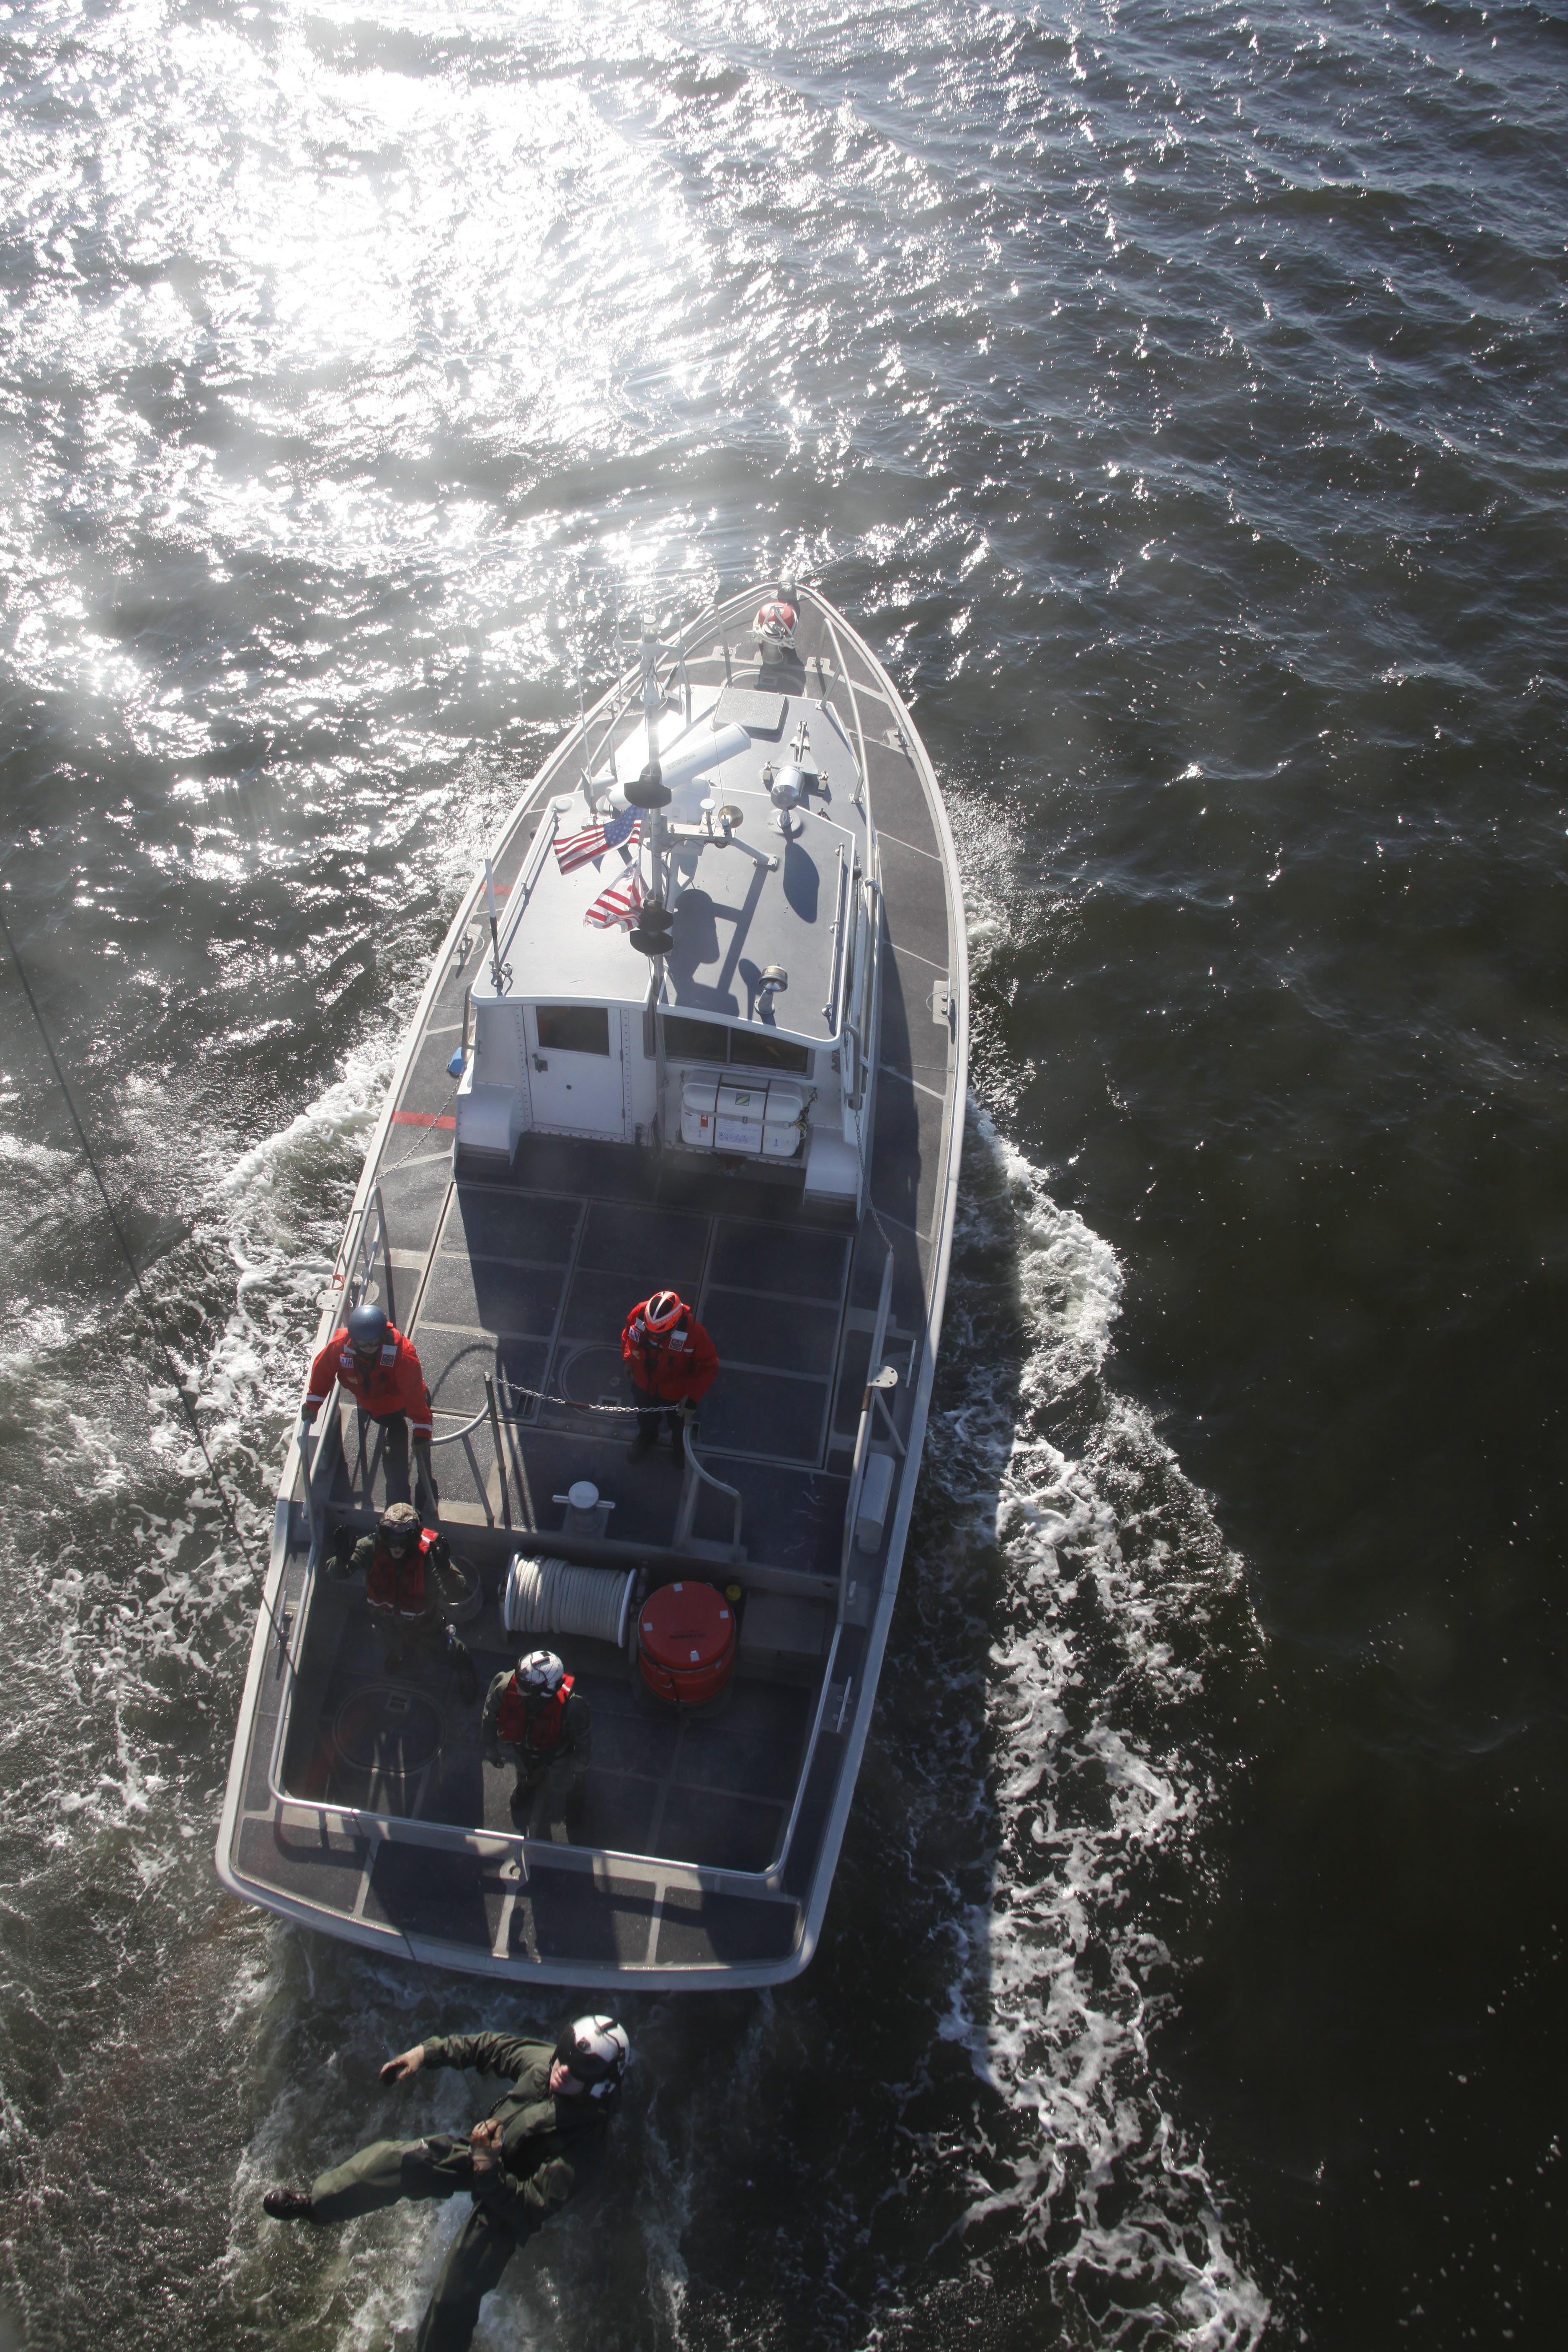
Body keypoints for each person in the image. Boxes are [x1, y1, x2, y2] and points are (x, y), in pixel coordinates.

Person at [261, 2016, 628, 2352]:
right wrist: (425, 2053)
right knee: (398, 2161)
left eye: (575, 2071)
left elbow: (530, 2206)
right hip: (485, 2152)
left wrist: (488, 2167)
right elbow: (487, 2048)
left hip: (508, 2200)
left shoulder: (587, 2147)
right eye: (562, 2058)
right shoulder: (548, 2063)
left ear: (599, 2087)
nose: (561, 2071)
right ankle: (317, 2205)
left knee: (454, 2295)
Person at [331, 1501, 478, 1702]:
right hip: (387, 1623)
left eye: (404, 1540)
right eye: (391, 1538)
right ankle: (400, 1653)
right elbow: (337, 1573)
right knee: (395, 1645)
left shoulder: (429, 1554)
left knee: (445, 1650)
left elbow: (460, 1591)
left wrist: (445, 1568)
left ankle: (465, 1670)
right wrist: (341, 1561)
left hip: (425, 1622)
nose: (397, 1546)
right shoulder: (371, 1547)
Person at [303, 1300, 437, 1510]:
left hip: (406, 1402)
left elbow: (413, 1392)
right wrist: (313, 1403)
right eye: (363, 1344)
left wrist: (421, 1426)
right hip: (380, 1411)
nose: (369, 1348)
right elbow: (323, 1373)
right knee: (395, 1459)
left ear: (382, 1336)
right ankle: (398, 1502)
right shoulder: (340, 1347)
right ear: (354, 1340)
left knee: (421, 1446)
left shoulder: (402, 1354)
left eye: (373, 1342)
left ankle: (426, 1482)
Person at [482, 1648, 592, 1828]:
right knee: (525, 1772)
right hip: (522, 1749)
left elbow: (583, 1737)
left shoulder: (573, 1707)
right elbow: (490, 1714)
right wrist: (489, 1746)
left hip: (558, 1754)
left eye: (524, 1685)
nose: (517, 1683)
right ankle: (528, 1784)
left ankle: (575, 1795)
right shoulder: (506, 1685)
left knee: (562, 1784)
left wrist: (581, 1762)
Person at [620, 1288, 718, 1465]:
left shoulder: (695, 1333)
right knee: (645, 1416)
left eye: (659, 1333)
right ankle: (647, 1436)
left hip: (676, 1392)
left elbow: (709, 1365)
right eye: (650, 1331)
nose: (653, 1335)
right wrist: (628, 1359)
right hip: (644, 1384)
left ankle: (679, 1443)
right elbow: (628, 1335)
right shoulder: (639, 1313)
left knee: (678, 1422)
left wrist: (693, 1398)